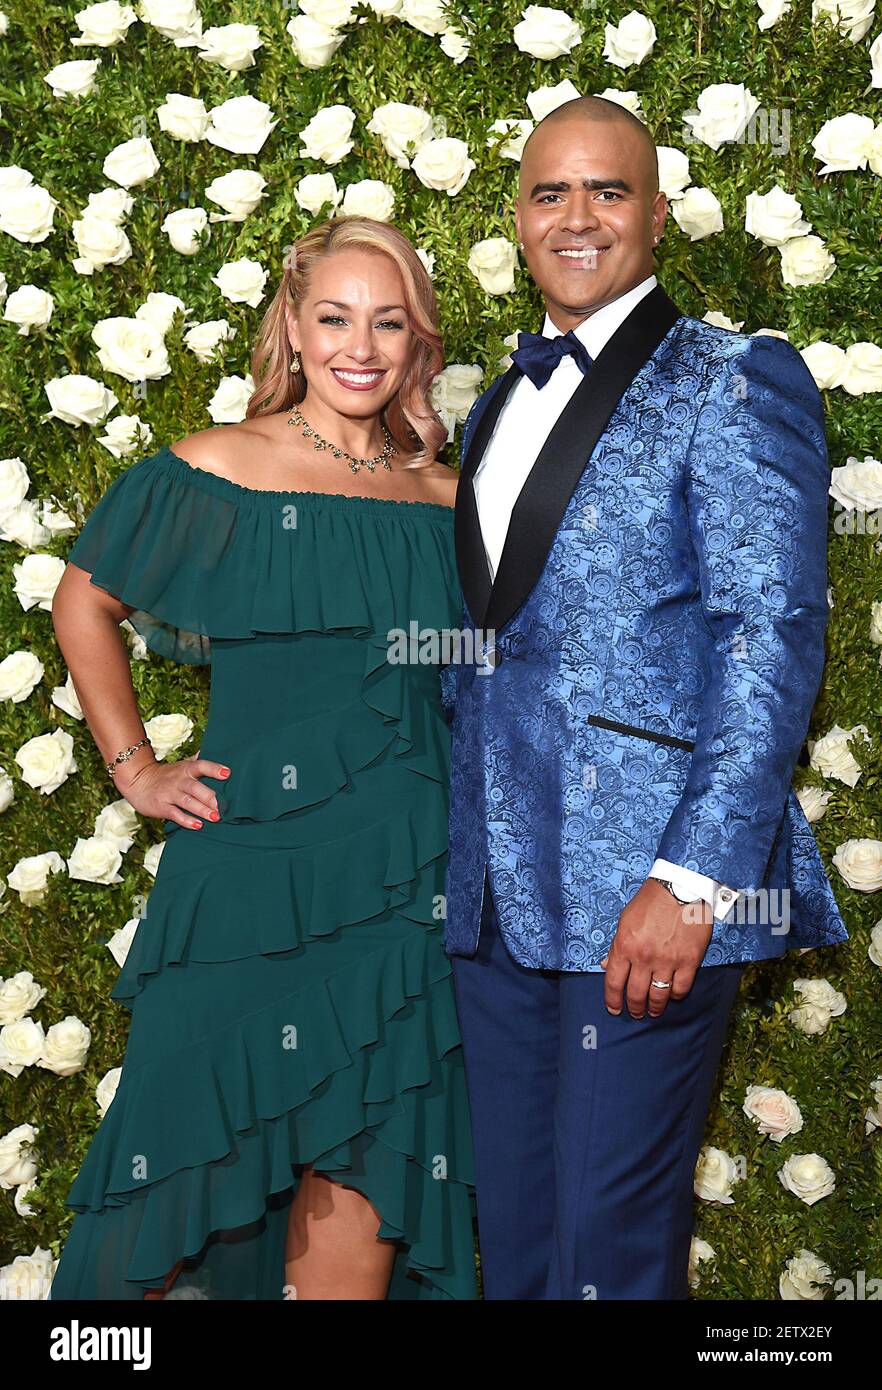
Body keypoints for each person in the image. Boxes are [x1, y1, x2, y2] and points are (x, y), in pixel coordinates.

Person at [440, 95, 849, 1301]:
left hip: (645, 893)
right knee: (515, 1245)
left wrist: (692, 881)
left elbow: (771, 632)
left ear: (657, 213)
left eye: (608, 190)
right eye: (550, 192)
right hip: (497, 902)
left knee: (605, 1257)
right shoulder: (493, 404)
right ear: (518, 219)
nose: (579, 216)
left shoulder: (736, 378)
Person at [48, 215, 477, 1301]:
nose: (360, 345)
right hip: (240, 887)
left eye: (389, 322)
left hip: (398, 894)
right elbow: (82, 599)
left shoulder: (448, 500)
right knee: (170, 1185)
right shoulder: (220, 469)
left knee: (368, 1179)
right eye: (334, 316)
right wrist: (135, 767)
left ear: (418, 342)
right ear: (292, 323)